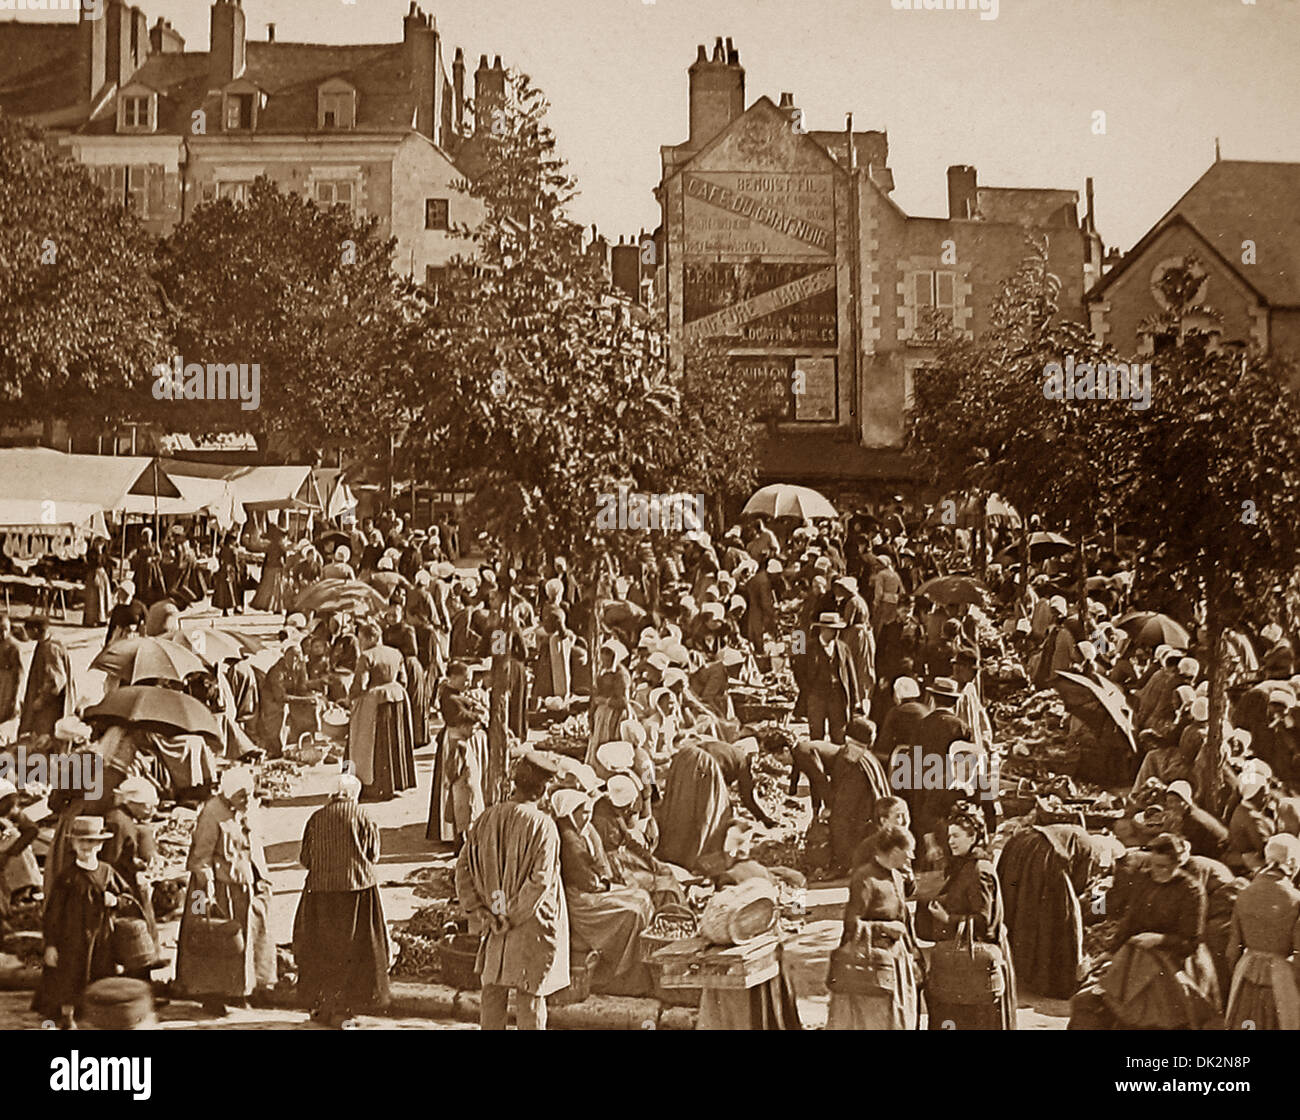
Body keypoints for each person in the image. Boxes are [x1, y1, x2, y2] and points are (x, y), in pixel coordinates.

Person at [455, 752, 570, 1030]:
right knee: (530, 998)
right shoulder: (544, 826)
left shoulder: (486, 818)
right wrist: (512, 917)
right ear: (542, 790)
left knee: (492, 993)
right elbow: (540, 881)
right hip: (531, 926)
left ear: (515, 784)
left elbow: (462, 870)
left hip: (494, 923)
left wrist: (484, 913)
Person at [1070, 833, 1222, 1030]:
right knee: (1093, 1002)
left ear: (1178, 864)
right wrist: (1109, 952)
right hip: (1136, 957)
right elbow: (1130, 921)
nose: (1159, 871)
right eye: (1155, 865)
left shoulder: (1191, 890)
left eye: (1166, 867)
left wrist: (1160, 939)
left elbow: (1192, 941)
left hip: (1175, 960)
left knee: (1157, 1016)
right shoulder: (1143, 880)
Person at [174, 768, 277, 1015]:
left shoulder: (247, 809)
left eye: (250, 794)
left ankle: (244, 989)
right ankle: (211, 995)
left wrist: (263, 881)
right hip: (216, 891)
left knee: (251, 939)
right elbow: (200, 858)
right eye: (242, 795)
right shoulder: (211, 814)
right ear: (229, 793)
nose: (248, 800)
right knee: (210, 937)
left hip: (247, 887)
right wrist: (205, 895)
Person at [294, 771, 390, 1028]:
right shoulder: (364, 816)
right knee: (355, 951)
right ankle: (346, 1009)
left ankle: (324, 1006)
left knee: (323, 950)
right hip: (358, 892)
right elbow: (374, 855)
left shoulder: (316, 817)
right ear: (354, 795)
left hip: (320, 894)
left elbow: (305, 859)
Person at [997, 824, 1121, 999]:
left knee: (1020, 906)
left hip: (1021, 846)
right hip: (1045, 856)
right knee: (1058, 917)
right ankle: (1051, 979)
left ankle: (1020, 968)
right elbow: (1081, 887)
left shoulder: (1078, 837)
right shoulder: (1094, 853)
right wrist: (1091, 908)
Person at [552, 788, 653, 994]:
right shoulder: (568, 838)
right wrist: (605, 885)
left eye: (588, 811)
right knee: (630, 912)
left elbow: (600, 862)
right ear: (570, 813)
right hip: (579, 900)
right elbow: (585, 879)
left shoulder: (584, 830)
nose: (587, 816)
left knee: (642, 897)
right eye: (583, 812)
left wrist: (605, 878)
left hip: (592, 889)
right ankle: (621, 972)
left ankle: (639, 966)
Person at [925, 807, 1018, 1029]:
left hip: (978, 957)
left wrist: (948, 918)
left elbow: (984, 920)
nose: (951, 842)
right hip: (970, 955)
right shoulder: (965, 865)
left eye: (956, 836)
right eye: (949, 836)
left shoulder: (979, 870)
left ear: (973, 837)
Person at [35, 816, 132, 1028]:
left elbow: (129, 899)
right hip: (71, 940)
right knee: (69, 978)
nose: (86, 847)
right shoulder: (67, 878)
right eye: (81, 842)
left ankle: (96, 1016)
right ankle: (68, 1017)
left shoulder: (107, 872)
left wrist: (115, 900)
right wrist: (51, 944)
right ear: (73, 844)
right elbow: (52, 915)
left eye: (91, 842)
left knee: (99, 976)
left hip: (101, 939)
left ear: (100, 844)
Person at [827, 825, 922, 1030]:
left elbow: (903, 918)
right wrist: (883, 928)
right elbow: (852, 923)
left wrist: (914, 955)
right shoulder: (864, 878)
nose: (911, 858)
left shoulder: (896, 875)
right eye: (908, 853)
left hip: (896, 961)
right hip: (871, 965)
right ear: (895, 851)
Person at [1224, 833, 1300, 1030]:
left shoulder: (1245, 893)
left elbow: (1232, 948)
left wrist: (1236, 975)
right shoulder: (1295, 899)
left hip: (1246, 971)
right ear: (1291, 862)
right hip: (1281, 977)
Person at [347, 621, 416, 801]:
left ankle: (372, 786)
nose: (360, 643)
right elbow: (403, 680)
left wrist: (350, 699)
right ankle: (395, 782)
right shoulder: (395, 653)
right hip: (398, 699)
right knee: (394, 741)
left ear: (371, 638)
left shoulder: (366, 656)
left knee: (370, 744)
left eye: (361, 639)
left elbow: (360, 685)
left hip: (374, 703)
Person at [102, 777, 161, 978]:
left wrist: (134, 863)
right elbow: (111, 858)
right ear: (133, 803)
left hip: (127, 881)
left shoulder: (124, 820)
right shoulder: (118, 822)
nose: (151, 812)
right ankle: (139, 983)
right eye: (148, 807)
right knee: (133, 936)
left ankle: (143, 981)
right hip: (122, 886)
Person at [828, 717, 891, 875]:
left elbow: (847, 796)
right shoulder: (868, 755)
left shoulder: (850, 755)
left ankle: (844, 864)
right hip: (874, 809)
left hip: (860, 811)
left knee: (840, 823)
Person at [18, 617, 75, 739]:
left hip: (49, 708)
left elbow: (55, 681)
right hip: (49, 706)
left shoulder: (50, 649)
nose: (26, 634)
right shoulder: (50, 643)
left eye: (27, 631)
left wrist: (41, 700)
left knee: (44, 739)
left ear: (35, 630)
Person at [250, 523, 290, 614]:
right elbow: (285, 557)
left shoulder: (270, 544)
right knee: (277, 589)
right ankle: (276, 607)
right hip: (276, 567)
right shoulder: (281, 545)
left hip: (270, 567)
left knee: (269, 588)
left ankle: (270, 606)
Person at [0, 614, 23, 744]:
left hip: (7, 684)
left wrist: (16, 696)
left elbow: (19, 673)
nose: (2, 633)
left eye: (5, 629)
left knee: (5, 715)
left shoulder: (13, 646)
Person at [104, 581, 146, 646]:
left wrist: (138, 629)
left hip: (134, 639)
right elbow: (111, 628)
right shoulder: (117, 608)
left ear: (128, 593)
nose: (119, 594)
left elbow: (147, 623)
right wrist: (107, 644)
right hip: (119, 639)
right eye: (119, 592)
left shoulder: (139, 606)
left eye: (122, 592)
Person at [81, 538, 112, 628]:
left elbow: (105, 562)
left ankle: (102, 619)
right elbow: (96, 562)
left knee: (103, 597)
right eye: (98, 544)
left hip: (102, 575)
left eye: (101, 544)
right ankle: (91, 620)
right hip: (93, 574)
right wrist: (98, 552)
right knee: (94, 598)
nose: (100, 546)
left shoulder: (104, 553)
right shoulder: (91, 553)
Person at [213, 533, 244, 616]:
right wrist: (238, 570)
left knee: (224, 590)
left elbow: (219, 558)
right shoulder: (233, 550)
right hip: (231, 570)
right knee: (233, 589)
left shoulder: (223, 549)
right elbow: (235, 561)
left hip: (223, 570)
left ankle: (225, 610)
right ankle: (235, 607)